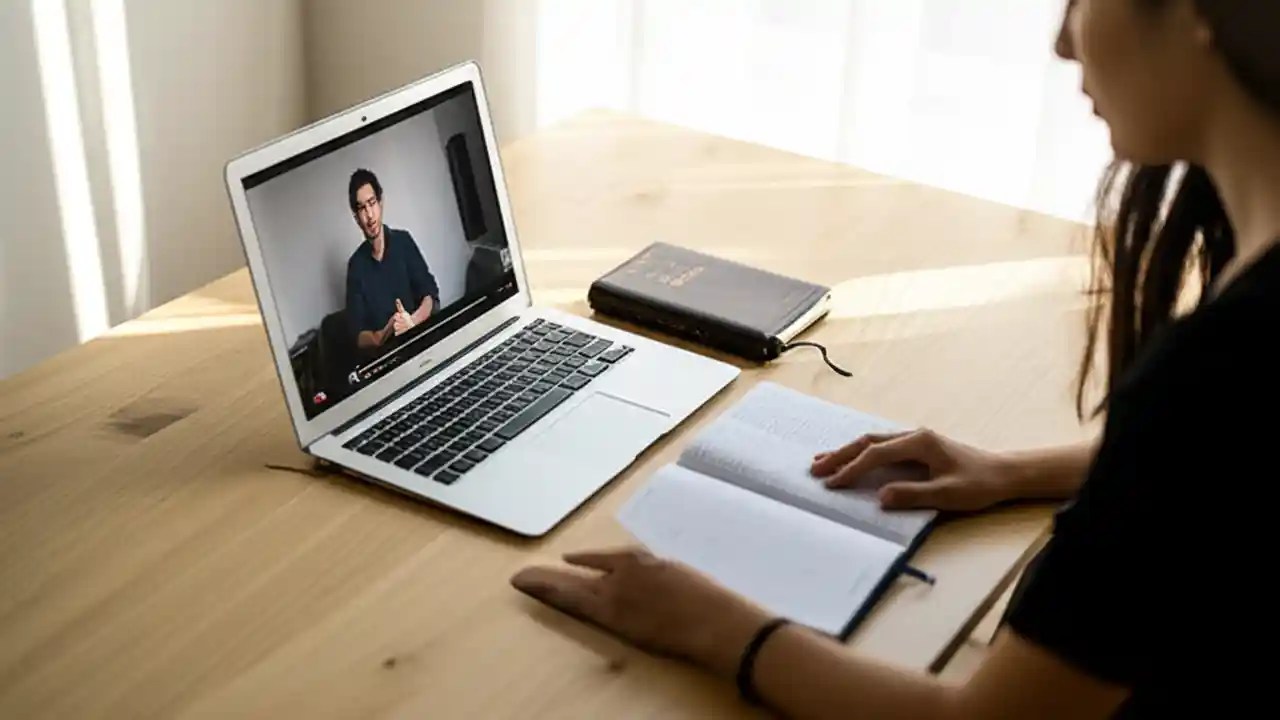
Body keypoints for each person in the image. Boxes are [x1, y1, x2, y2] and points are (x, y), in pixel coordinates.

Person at [510, 1, 1279, 717]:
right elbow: (1218, 459)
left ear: (1193, 13)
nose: (1062, 40)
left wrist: (711, 624)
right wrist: (1016, 470)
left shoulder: (1215, 365)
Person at [345, 168, 440, 352]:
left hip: (421, 344)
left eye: (372, 203)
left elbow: (430, 295)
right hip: (387, 357)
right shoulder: (355, 266)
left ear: (381, 203)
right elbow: (357, 335)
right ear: (357, 218)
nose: (370, 215)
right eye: (362, 208)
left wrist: (412, 322)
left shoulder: (403, 241)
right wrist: (383, 334)